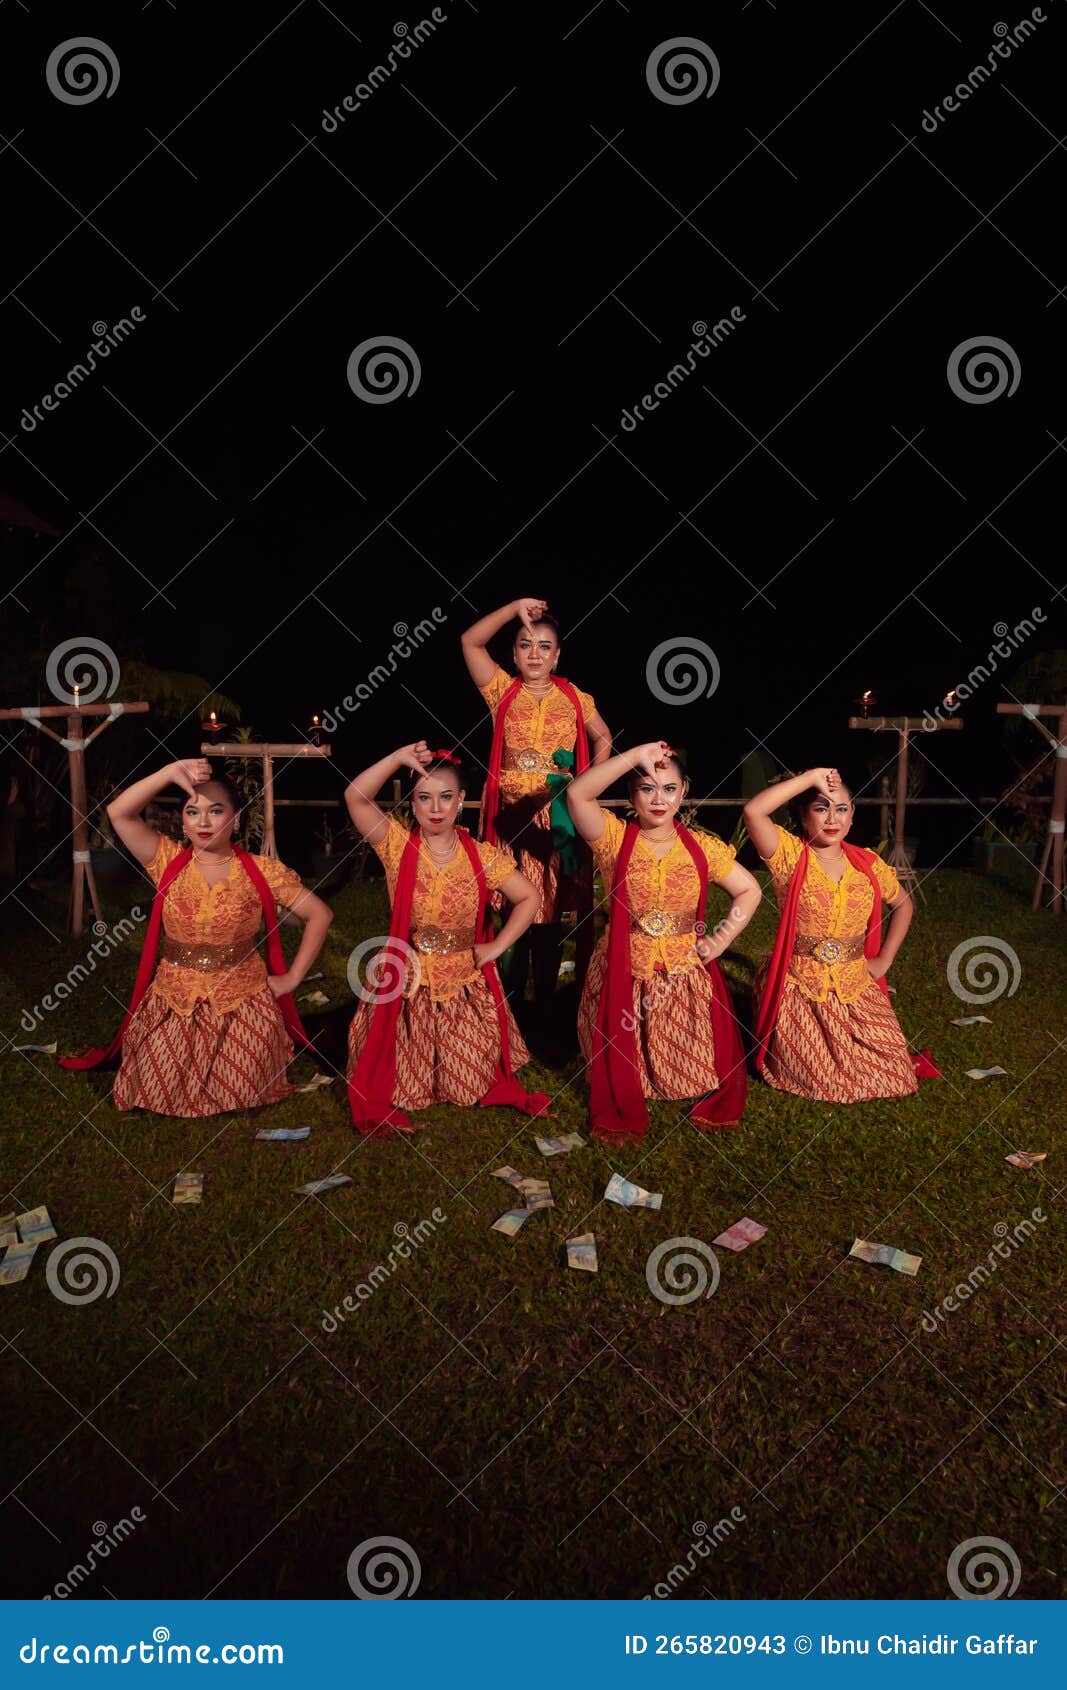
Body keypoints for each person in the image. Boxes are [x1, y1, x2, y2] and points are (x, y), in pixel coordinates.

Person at [60, 759, 333, 1116]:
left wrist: (293, 977)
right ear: (183, 820)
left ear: (235, 819)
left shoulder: (262, 870)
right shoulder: (165, 859)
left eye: (215, 812)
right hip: (176, 996)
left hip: (241, 1001)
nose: (203, 822)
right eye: (193, 812)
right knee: (153, 1089)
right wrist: (168, 773)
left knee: (241, 1090)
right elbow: (119, 812)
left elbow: (320, 914)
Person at [344, 742, 551, 1134]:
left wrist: (496, 946)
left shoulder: (482, 856)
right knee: (400, 1087)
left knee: (469, 1084)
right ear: (414, 803)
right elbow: (354, 796)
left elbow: (529, 897)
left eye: (445, 797)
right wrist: (395, 758)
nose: (435, 808)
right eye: (424, 798)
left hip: (463, 979)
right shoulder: (396, 845)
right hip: (408, 979)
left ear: (460, 801)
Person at [567, 741, 761, 1141]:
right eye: (647, 788)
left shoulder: (703, 849)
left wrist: (721, 941)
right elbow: (576, 793)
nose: (659, 799)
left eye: (669, 789)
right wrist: (635, 755)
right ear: (631, 795)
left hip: (680, 974)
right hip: (624, 969)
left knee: (687, 1077)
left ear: (684, 792)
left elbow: (750, 891)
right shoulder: (613, 838)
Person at [461, 597, 612, 1003]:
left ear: (557, 656)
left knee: (553, 908)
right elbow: (470, 642)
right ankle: (508, 999)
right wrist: (513, 609)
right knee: (511, 905)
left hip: (557, 818)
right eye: (525, 644)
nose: (534, 653)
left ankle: (543, 1000)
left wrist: (587, 786)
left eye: (544, 646)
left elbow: (604, 737)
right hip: (510, 818)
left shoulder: (575, 698)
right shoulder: (502, 691)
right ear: (513, 654)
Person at [742, 766, 919, 1101]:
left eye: (841, 809)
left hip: (854, 982)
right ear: (803, 814)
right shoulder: (790, 857)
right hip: (801, 986)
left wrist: (883, 960)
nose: (832, 819)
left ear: (852, 815)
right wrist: (811, 778)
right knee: (824, 1080)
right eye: (821, 808)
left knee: (899, 1076)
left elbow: (904, 905)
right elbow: (754, 811)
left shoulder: (867, 863)